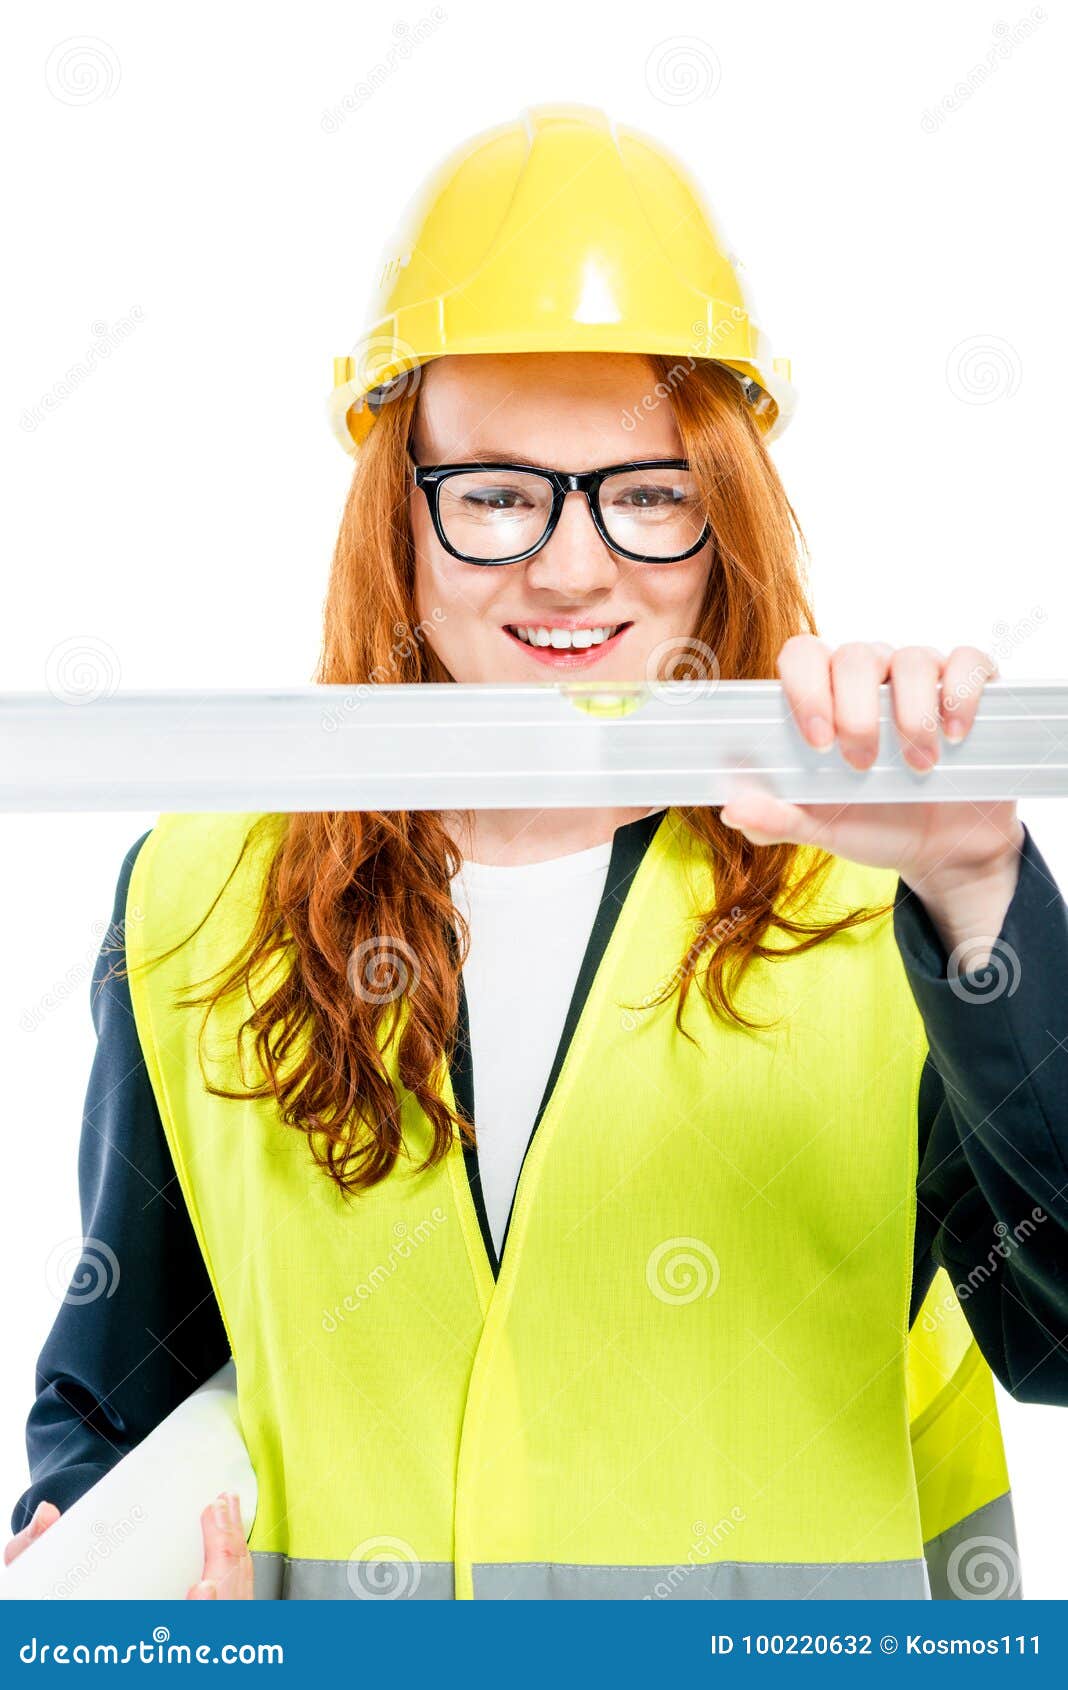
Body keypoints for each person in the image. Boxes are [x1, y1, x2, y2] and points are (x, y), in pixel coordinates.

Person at [8, 104, 1068, 1602]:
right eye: (498, 493)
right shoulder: (199, 892)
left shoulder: (880, 888)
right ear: (401, 513)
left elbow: (1065, 1334)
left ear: (727, 514)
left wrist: (979, 894)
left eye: (645, 497)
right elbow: (121, 1391)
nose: (572, 568)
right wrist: (98, 1555)